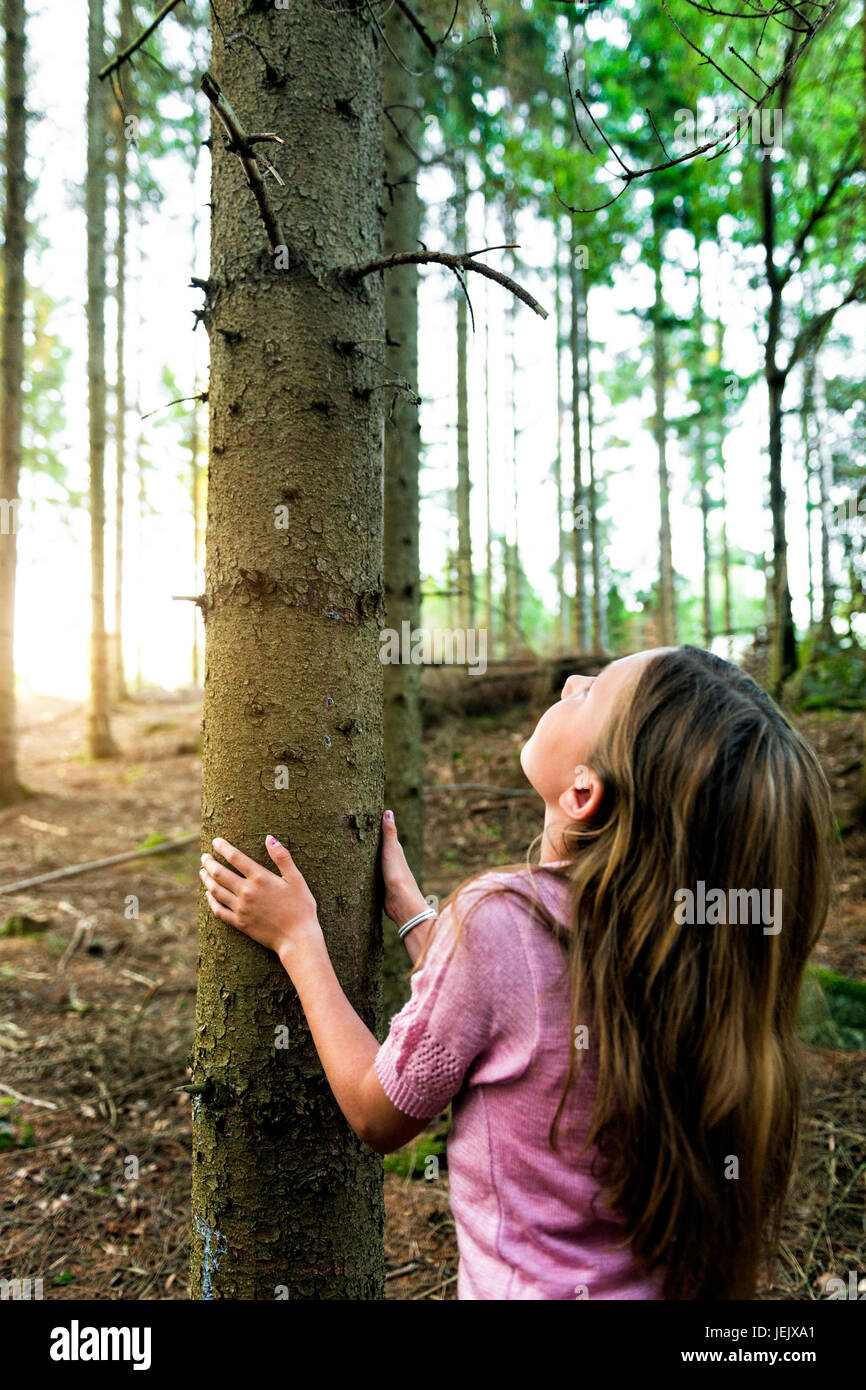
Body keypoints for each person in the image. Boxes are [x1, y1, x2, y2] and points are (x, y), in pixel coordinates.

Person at [199, 644, 834, 1300]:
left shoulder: (501, 919)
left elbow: (377, 1112)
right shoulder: (684, 954)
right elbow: (526, 1015)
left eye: (592, 693)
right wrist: (419, 918)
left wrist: (298, 939)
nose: (572, 679)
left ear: (584, 791)